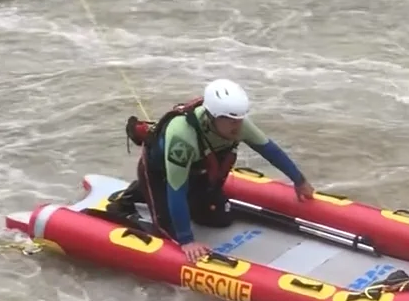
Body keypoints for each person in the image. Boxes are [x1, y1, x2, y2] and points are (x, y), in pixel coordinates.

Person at [108, 79, 315, 263]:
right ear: (213, 116)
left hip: (196, 171)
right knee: (168, 232)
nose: (238, 124)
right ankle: (134, 195)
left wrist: (299, 180)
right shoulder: (183, 136)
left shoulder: (238, 124)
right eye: (232, 120)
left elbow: (269, 149)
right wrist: (186, 241)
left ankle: (159, 198)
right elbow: (176, 188)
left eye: (241, 118)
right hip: (160, 174)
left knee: (219, 219)